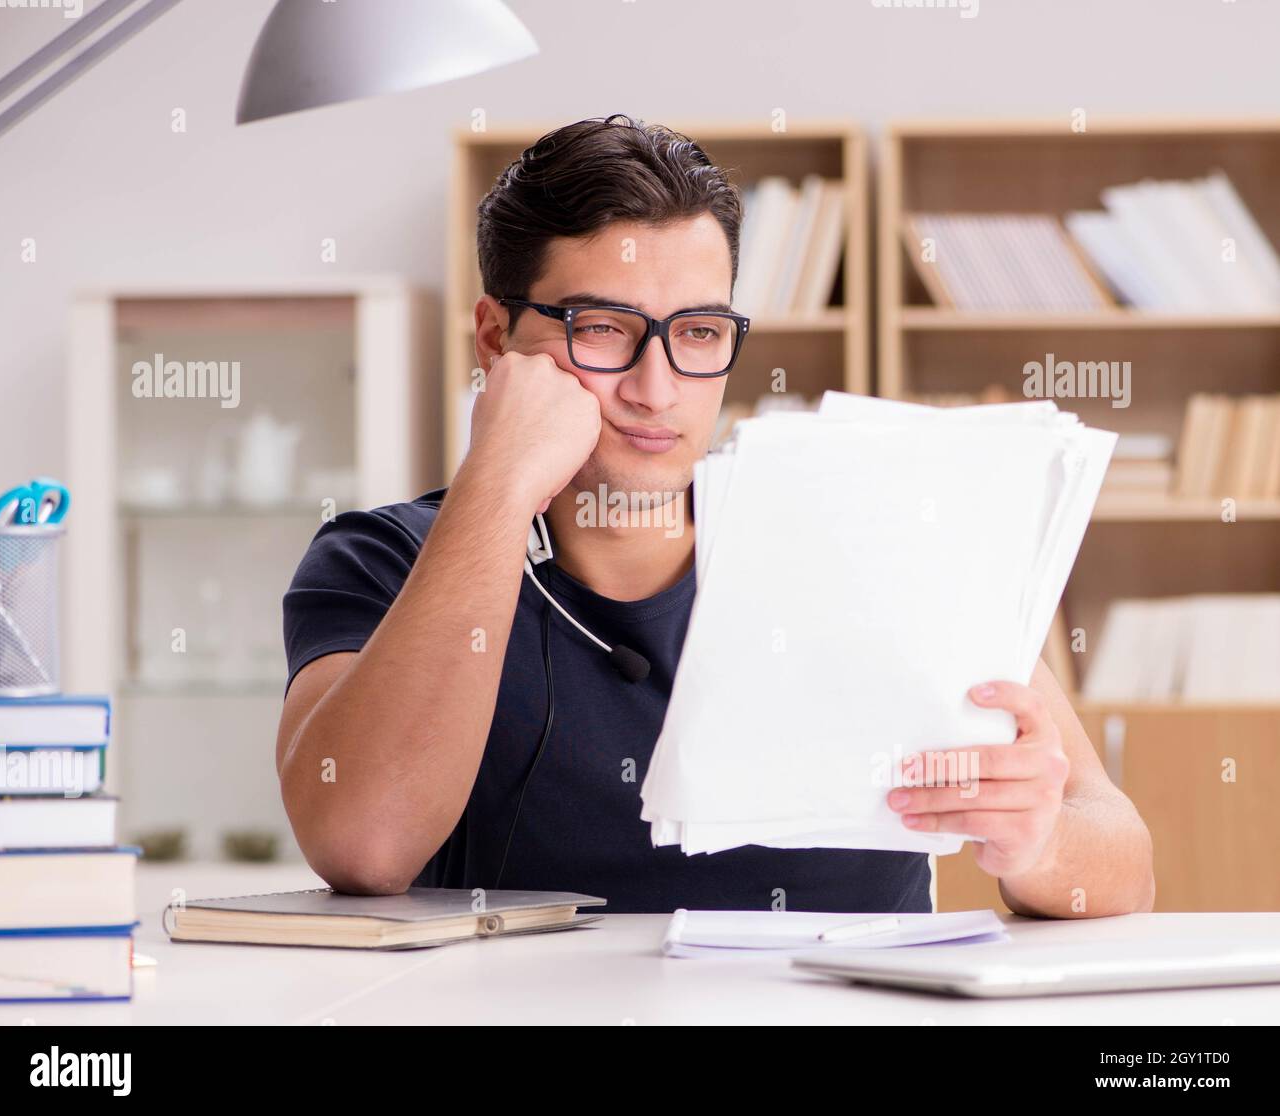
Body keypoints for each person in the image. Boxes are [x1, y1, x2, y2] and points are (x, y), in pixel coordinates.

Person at [275, 114, 1154, 916]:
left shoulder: (876, 535)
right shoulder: (382, 560)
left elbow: (1122, 861)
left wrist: (1041, 841)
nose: (656, 391)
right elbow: (364, 845)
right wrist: (497, 484)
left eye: (697, 333)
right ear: (499, 339)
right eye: (604, 329)